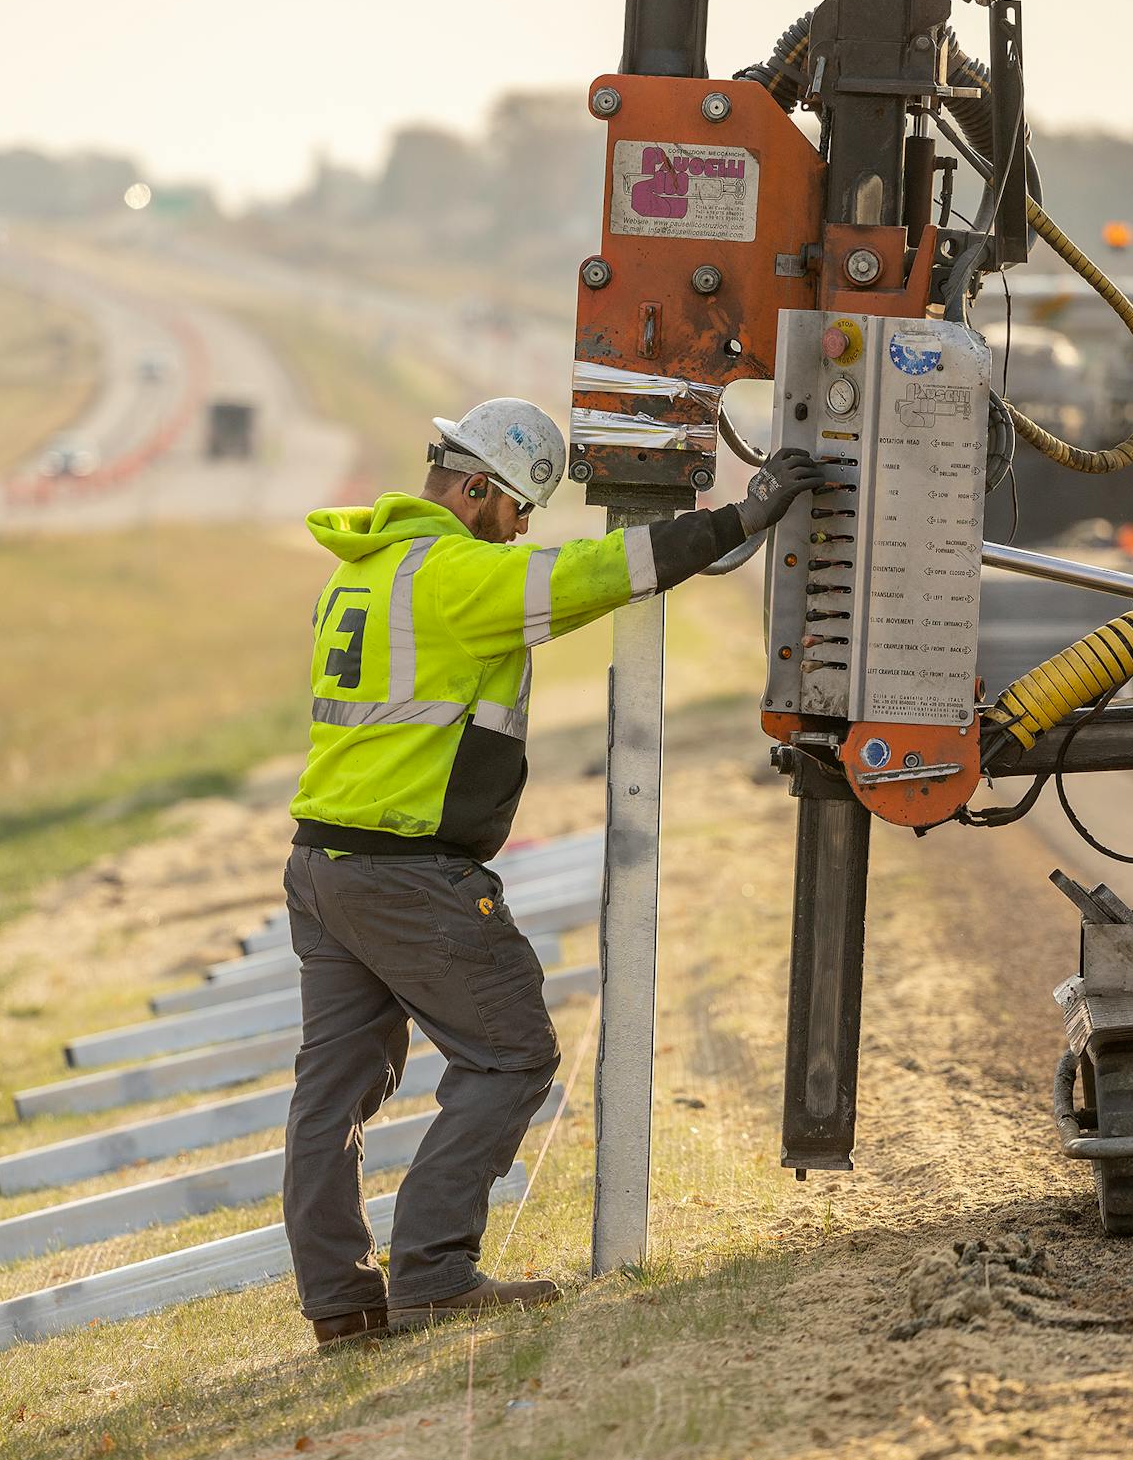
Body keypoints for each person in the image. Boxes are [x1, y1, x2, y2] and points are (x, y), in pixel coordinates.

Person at [280, 397, 825, 1347]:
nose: (525, 529)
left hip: (324, 868)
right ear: (478, 489)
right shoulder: (456, 575)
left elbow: (573, 592)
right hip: (407, 874)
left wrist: (704, 549)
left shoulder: (370, 572)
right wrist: (741, 516)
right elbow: (591, 571)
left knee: (330, 1094)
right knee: (512, 1051)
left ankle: (340, 1300)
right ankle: (433, 1273)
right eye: (520, 508)